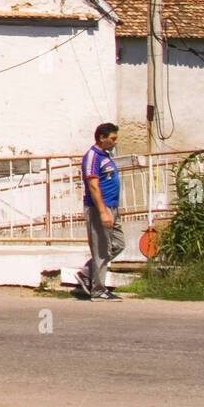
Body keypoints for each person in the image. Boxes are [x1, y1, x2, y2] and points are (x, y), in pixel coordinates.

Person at [78, 123, 125, 301]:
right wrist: (103, 212)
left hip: (112, 206)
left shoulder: (105, 155)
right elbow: (93, 186)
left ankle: (87, 273)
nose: (115, 142)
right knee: (101, 249)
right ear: (101, 138)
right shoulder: (92, 157)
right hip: (100, 208)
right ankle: (98, 290)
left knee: (118, 243)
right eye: (112, 139)